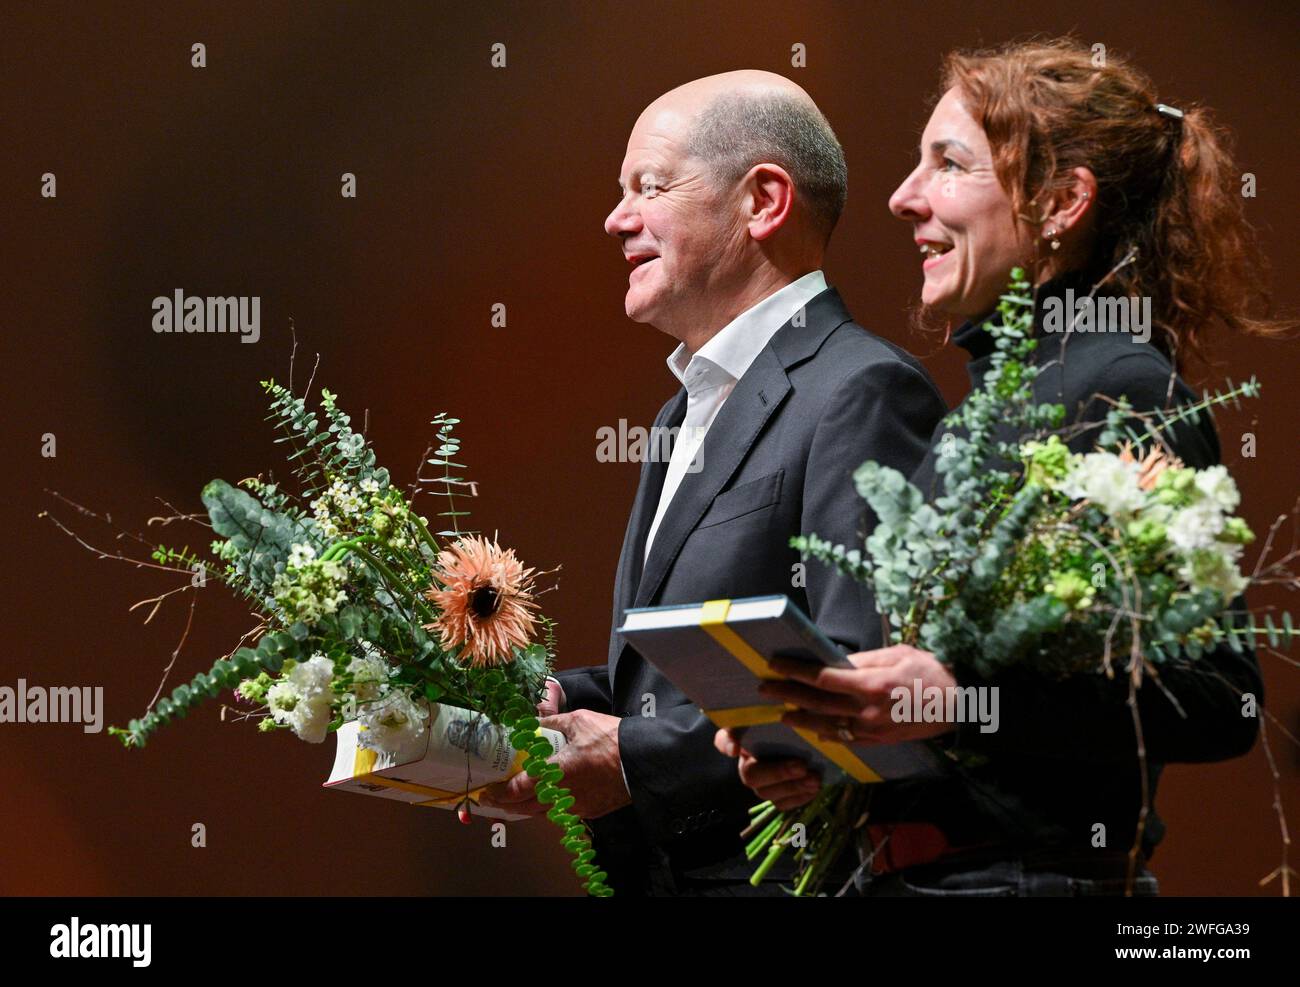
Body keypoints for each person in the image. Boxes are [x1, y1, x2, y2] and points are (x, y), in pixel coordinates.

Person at [717, 38, 1285, 896]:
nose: (904, 198)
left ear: (1061, 201)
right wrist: (818, 741)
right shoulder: (974, 419)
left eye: (948, 164)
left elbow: (1218, 695)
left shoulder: (1122, 387)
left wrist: (959, 696)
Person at [480, 69, 946, 895]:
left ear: (763, 200)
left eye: (649, 187)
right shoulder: (676, 414)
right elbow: (671, 674)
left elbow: (852, 687)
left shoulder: (861, 390)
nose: (616, 219)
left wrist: (625, 756)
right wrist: (549, 698)